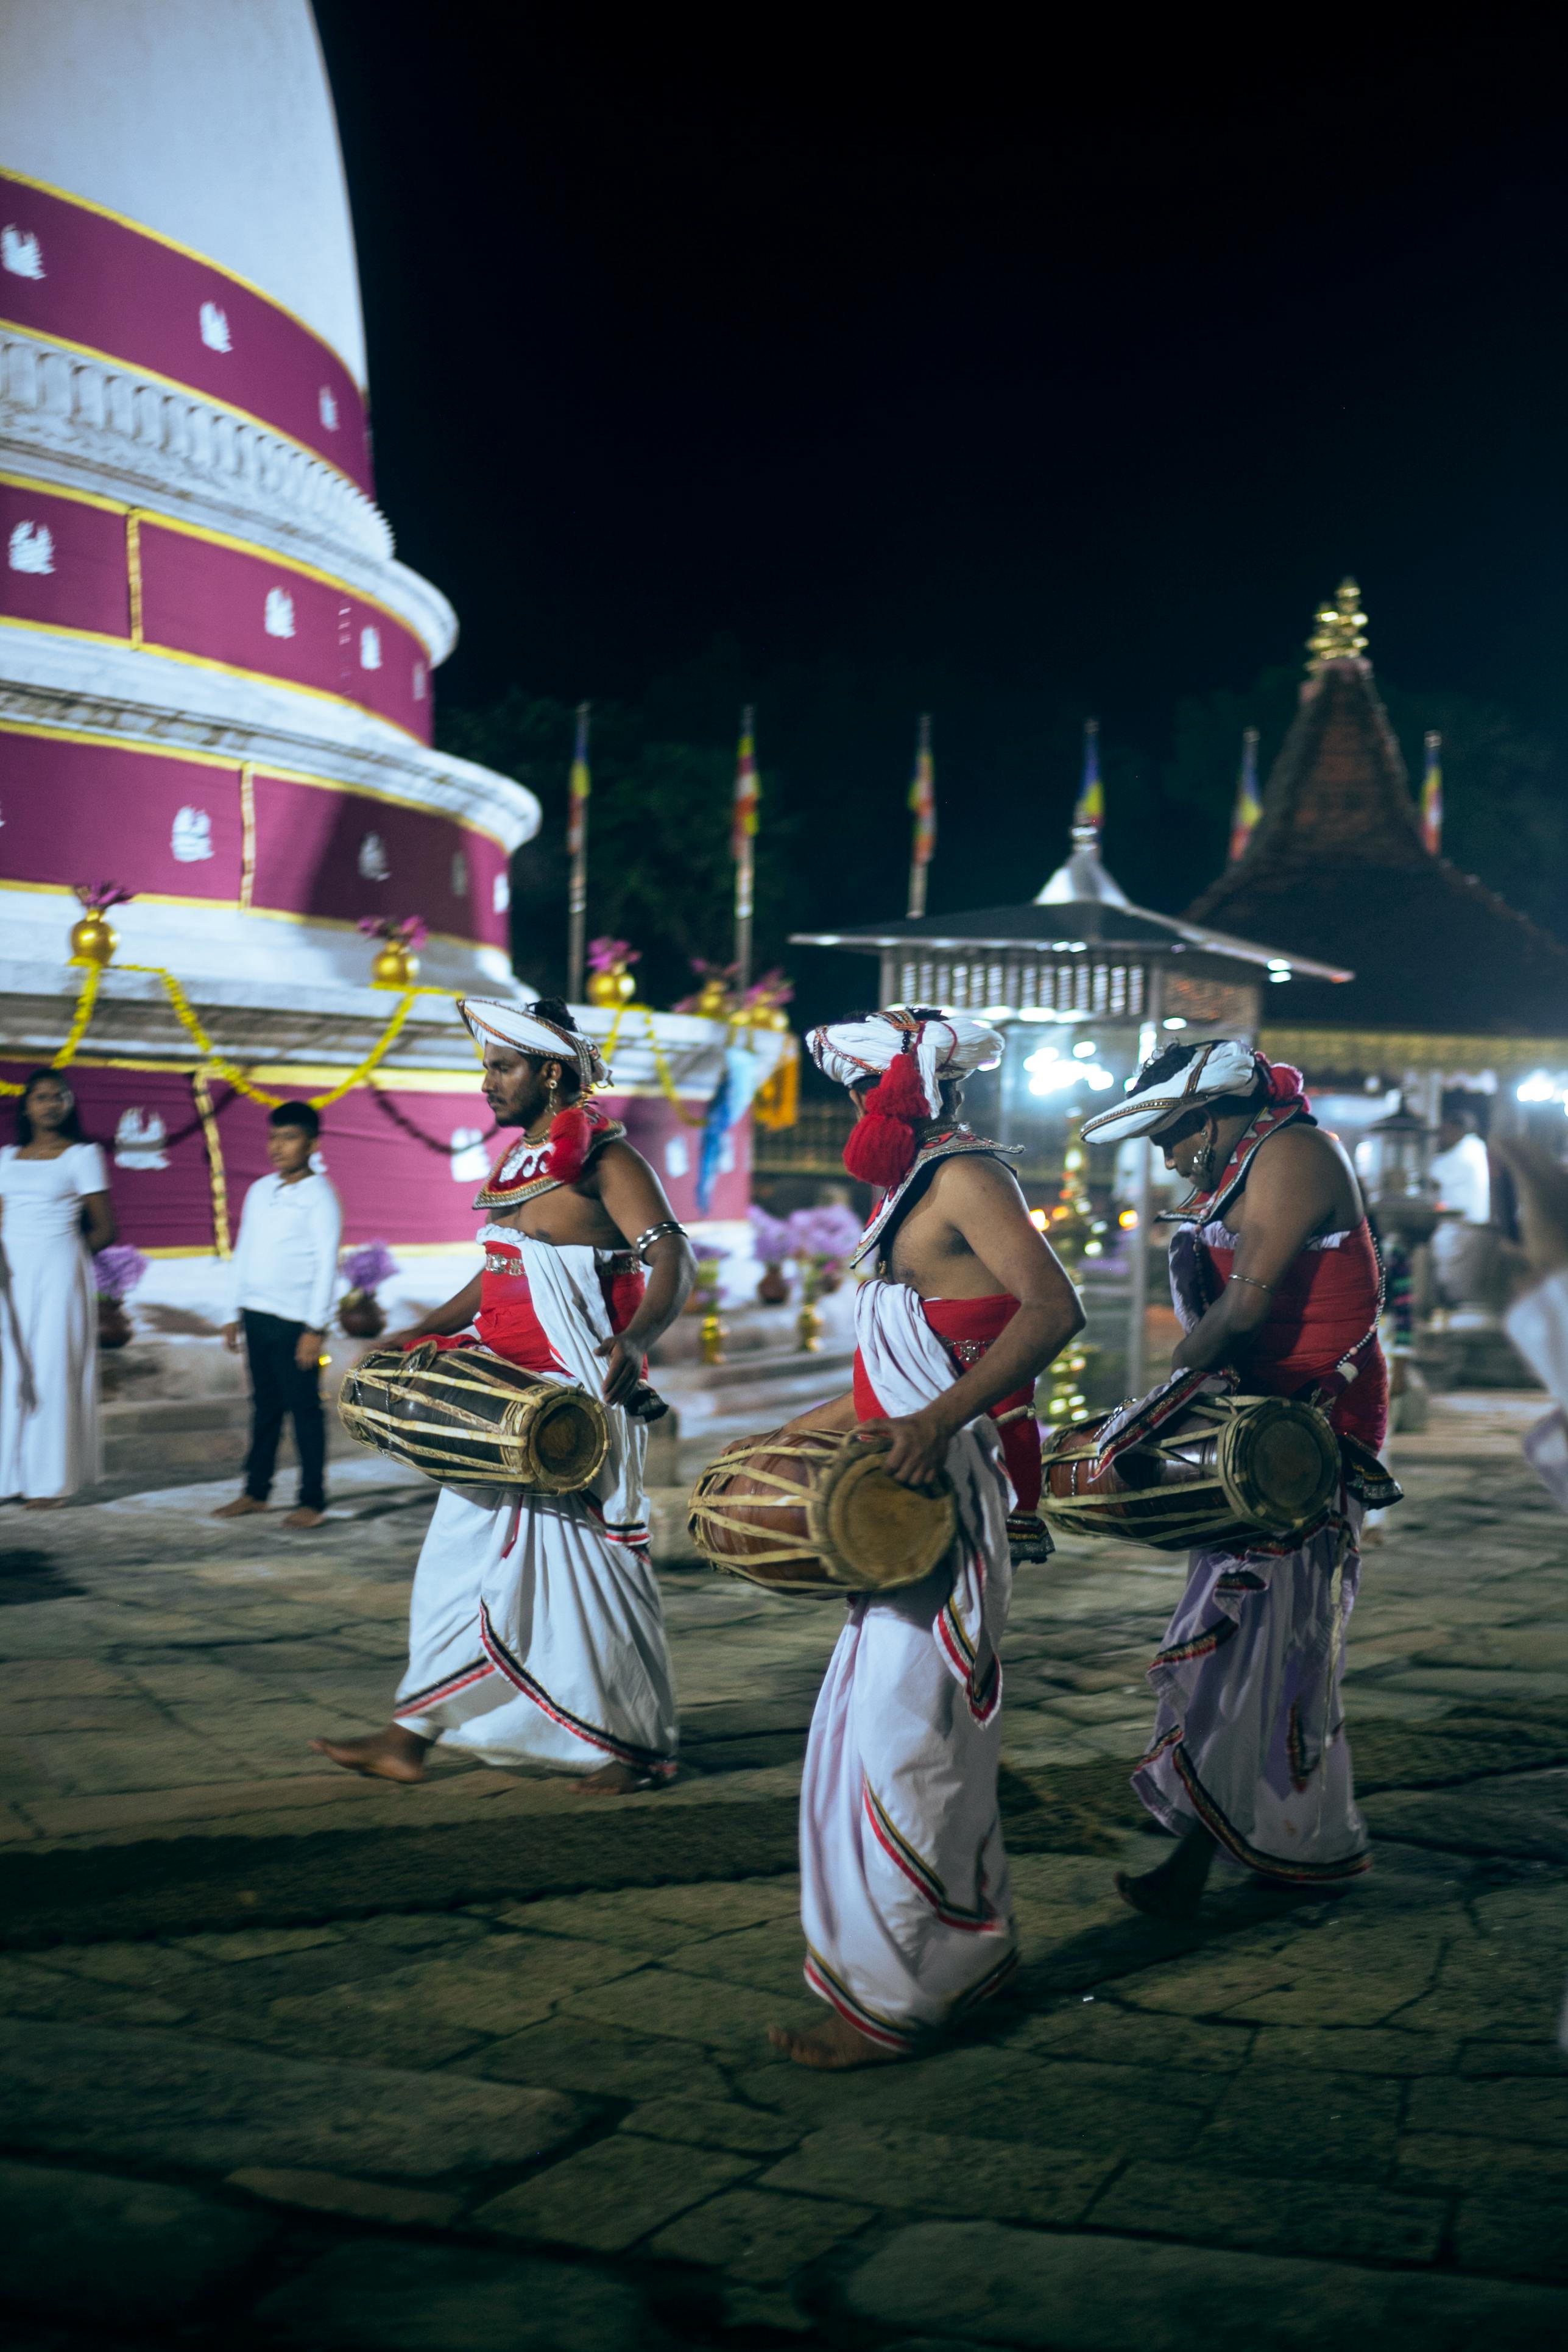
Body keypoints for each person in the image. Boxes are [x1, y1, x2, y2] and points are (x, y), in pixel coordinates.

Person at [766, 1009, 1083, 2068]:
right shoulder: (909, 1192)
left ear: (900, 1095)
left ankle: (901, 2001)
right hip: (904, 1498)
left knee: (908, 1743)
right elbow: (900, 1368)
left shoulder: (962, 1179)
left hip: (948, 1496)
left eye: (863, 1094)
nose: (854, 1114)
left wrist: (941, 1422)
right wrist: (794, 1432)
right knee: (894, 1738)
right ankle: (958, 1962)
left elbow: (1051, 1309)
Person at [312, 997, 694, 1796]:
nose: (485, 1083)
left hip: (576, 1408)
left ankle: (628, 1744)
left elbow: (673, 1263)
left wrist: (638, 1339)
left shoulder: (607, 1160)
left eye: (501, 1067)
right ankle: (408, 1736)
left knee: (594, 1571)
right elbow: (498, 1273)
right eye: (487, 1066)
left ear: (549, 1073)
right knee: (454, 1565)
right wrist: (417, 1330)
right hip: (501, 1401)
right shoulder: (520, 1160)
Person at [1081, 1038, 1397, 1920]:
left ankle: (1218, 1844)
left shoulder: (1294, 1151)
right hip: (1263, 1421)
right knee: (1260, 1634)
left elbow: (1247, 1304)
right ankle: (1279, 1835)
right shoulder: (1253, 1159)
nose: (1163, 1155)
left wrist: (1167, 1380)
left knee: (1262, 1632)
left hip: (1308, 1429)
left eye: (1170, 1135)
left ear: (1212, 1112)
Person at [214, 1102, 343, 1531]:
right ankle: (255, 1491)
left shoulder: (320, 1196)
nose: (277, 1146)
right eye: (273, 1137)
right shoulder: (259, 1190)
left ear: (312, 1143)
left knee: (304, 1408)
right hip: (256, 1315)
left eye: (288, 1137)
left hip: (295, 1323)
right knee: (264, 1407)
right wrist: (232, 1311)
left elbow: (327, 1264)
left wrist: (315, 1328)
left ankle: (313, 1499)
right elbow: (244, 1250)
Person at [0, 1071, 115, 1508]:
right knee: (10, 1373)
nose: (50, 1104)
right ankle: (8, 1477)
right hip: (8, 1274)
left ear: (69, 1104)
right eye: (41, 1097)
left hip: (59, 1275)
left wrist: (64, 1254)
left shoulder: (82, 1155)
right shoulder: (6, 1157)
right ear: (26, 1105)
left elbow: (105, 1228)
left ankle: (50, 1481)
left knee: (50, 1370)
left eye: (58, 1097)